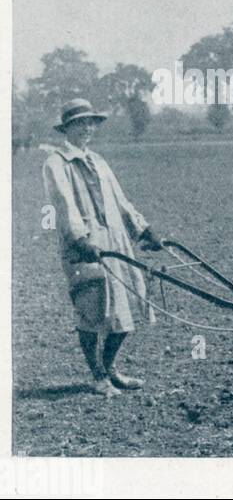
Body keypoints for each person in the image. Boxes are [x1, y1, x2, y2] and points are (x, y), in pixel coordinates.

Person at [42, 99, 165, 397]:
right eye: (80, 123)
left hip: (115, 241)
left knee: (124, 313)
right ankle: (97, 376)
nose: (87, 128)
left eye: (91, 122)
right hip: (83, 245)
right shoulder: (57, 163)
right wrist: (81, 240)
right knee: (92, 309)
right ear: (67, 128)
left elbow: (120, 201)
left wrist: (144, 229)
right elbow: (64, 205)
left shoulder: (99, 161)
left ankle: (109, 368)